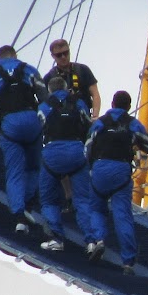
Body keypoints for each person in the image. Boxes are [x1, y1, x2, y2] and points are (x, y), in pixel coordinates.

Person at [85, 90, 148, 269]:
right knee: (122, 214)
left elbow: (87, 147)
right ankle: (128, 261)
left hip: (99, 169)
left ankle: (98, 239)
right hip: (120, 171)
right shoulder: (133, 124)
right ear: (129, 107)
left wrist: (91, 168)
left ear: (112, 104)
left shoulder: (100, 123)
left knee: (96, 209)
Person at [0, 45, 45, 234]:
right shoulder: (29, 69)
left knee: (14, 172)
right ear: (15, 55)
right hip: (32, 120)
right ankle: (27, 206)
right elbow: (44, 97)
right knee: (33, 167)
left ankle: (19, 217)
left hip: (10, 124)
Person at [36, 73, 100, 253]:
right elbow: (88, 125)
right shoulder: (79, 103)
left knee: (48, 200)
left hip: (52, 154)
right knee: (83, 200)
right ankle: (92, 242)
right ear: (66, 88)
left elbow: (38, 129)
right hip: (76, 153)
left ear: (49, 90)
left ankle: (56, 238)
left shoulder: (44, 106)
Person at [43, 37, 101, 117]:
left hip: (83, 118)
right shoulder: (48, 78)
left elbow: (95, 94)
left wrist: (95, 116)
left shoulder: (83, 70)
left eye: (66, 53)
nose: (63, 57)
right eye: (59, 55)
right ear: (53, 56)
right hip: (59, 121)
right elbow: (44, 102)